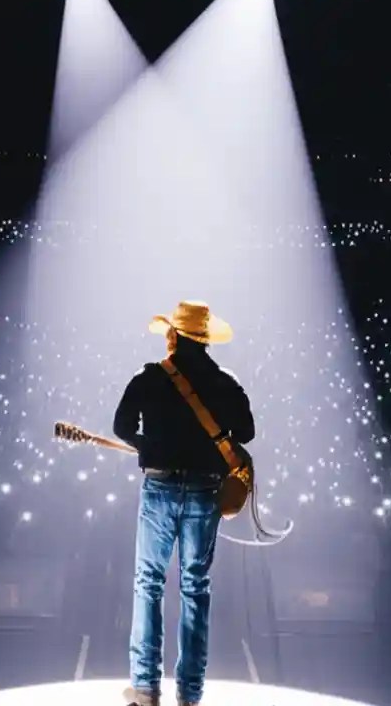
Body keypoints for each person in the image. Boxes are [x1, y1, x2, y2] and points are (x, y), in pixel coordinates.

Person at [114, 301, 255, 706]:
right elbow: (247, 431)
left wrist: (148, 447)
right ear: (206, 339)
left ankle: (145, 689)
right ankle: (189, 695)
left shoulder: (150, 377)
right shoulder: (226, 382)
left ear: (174, 335)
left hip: (158, 488)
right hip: (205, 491)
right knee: (195, 588)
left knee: (148, 585)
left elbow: (121, 426)